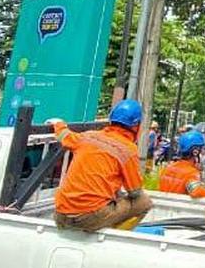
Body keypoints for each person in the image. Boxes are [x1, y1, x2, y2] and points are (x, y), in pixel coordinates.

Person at [49, 99, 153, 232]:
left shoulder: (88, 137)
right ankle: (113, 235)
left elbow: (64, 135)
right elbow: (135, 192)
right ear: (136, 126)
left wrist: (58, 124)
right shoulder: (128, 150)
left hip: (60, 214)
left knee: (115, 193)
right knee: (144, 203)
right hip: (87, 218)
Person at [157, 130, 205, 199]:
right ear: (195, 152)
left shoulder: (168, 168)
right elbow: (196, 191)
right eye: (202, 150)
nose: (203, 154)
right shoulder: (191, 173)